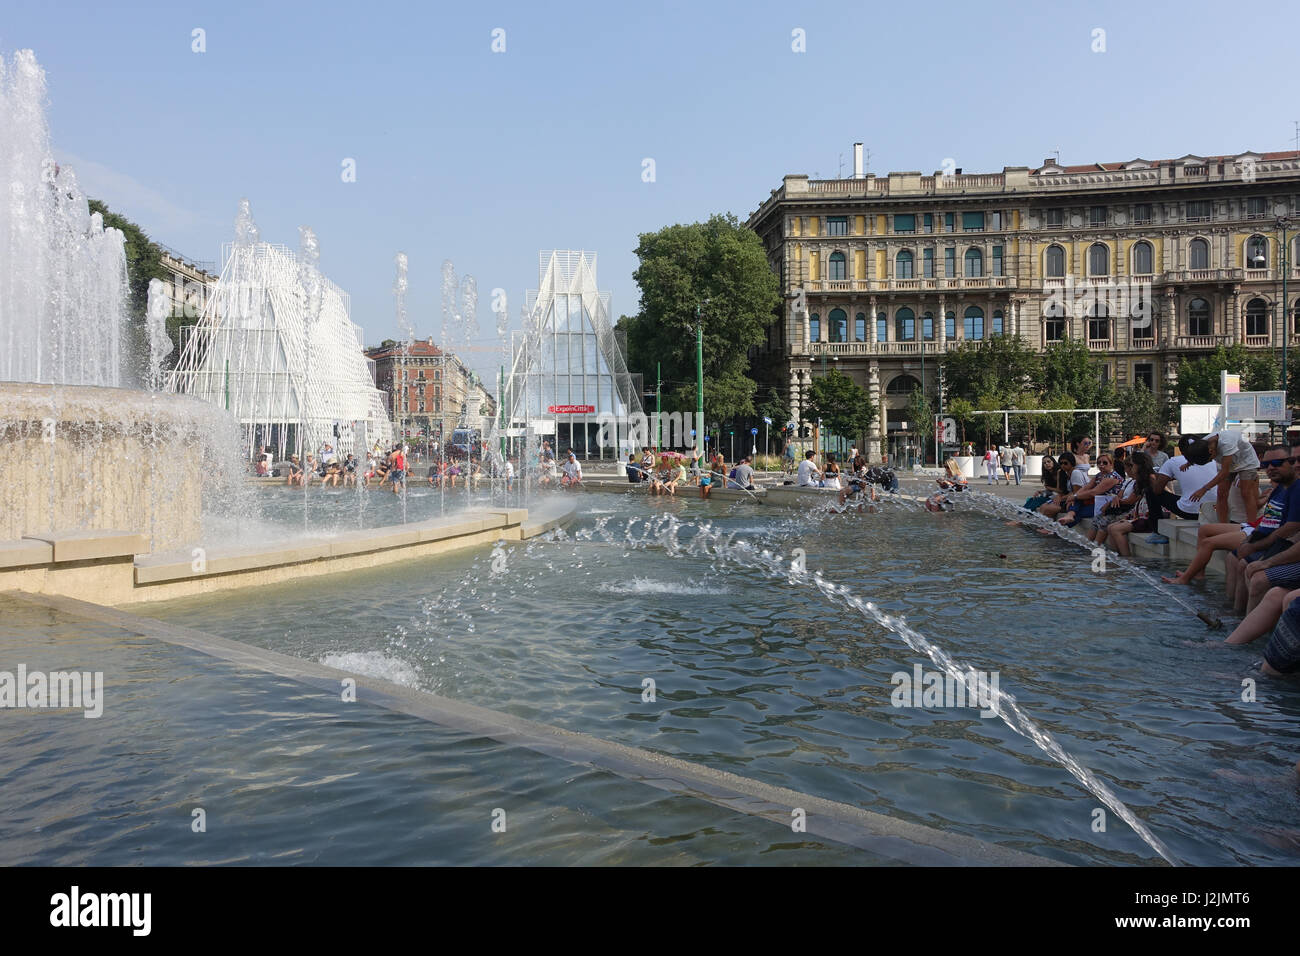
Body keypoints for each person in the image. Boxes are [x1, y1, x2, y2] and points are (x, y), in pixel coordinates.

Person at [1163, 444, 1293, 586]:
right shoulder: (1239, 476)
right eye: (1266, 464)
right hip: (1251, 524)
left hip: (1251, 525)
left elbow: (1251, 504)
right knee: (1204, 530)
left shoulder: (1249, 477)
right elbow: (1226, 497)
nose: (1269, 468)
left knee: (1209, 543)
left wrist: (1252, 529)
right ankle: (1199, 573)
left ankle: (1186, 578)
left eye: (1276, 463)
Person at [1186, 429, 1260, 524]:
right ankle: (1223, 524)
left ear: (1211, 451)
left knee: (1246, 493)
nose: (1212, 461)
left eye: (1210, 459)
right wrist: (1188, 463)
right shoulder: (1203, 444)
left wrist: (1204, 489)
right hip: (1229, 463)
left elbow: (1224, 473)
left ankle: (1251, 525)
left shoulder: (1227, 443)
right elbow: (1195, 454)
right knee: (1221, 493)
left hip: (1246, 461)